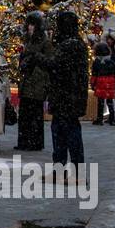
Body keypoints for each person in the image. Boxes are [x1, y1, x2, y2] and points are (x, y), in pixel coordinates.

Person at [48, 11, 89, 168]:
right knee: (66, 132)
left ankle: (69, 169)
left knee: (65, 134)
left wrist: (36, 58)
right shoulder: (76, 43)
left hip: (65, 97)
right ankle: (64, 168)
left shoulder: (69, 45)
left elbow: (55, 65)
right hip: (70, 96)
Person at [15, 11, 52, 151]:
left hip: (36, 82)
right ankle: (24, 141)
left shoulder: (44, 42)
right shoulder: (27, 40)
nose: (30, 27)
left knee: (35, 114)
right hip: (26, 81)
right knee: (25, 113)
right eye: (29, 24)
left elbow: (47, 62)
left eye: (33, 25)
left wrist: (32, 65)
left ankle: (34, 142)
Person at [91, 42, 115, 125]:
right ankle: (112, 119)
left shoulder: (97, 62)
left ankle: (100, 119)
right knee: (110, 101)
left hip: (100, 82)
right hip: (110, 82)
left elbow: (94, 74)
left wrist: (93, 84)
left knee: (101, 102)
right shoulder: (111, 61)